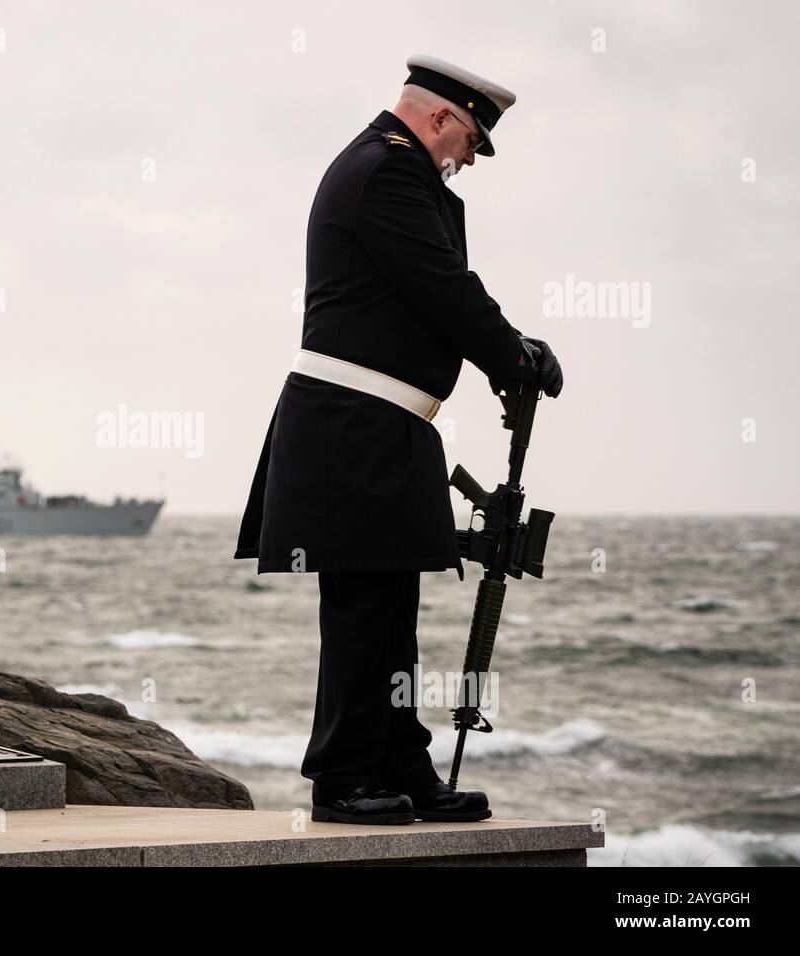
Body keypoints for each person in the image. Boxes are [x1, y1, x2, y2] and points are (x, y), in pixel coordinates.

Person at [233, 55, 563, 825]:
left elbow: (429, 292)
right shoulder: (388, 172)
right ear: (441, 117)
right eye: (470, 143)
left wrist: (502, 357)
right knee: (360, 612)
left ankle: (400, 762)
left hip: (385, 423)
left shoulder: (394, 169)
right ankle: (344, 777)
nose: (467, 161)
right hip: (350, 422)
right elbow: (443, 285)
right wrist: (513, 354)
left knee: (391, 610)